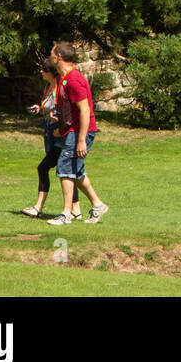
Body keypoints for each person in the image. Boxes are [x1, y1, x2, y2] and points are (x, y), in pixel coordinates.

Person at [47, 42, 110, 225]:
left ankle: (66, 214)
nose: (50, 56)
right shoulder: (63, 78)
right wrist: (60, 125)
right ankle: (98, 205)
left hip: (81, 132)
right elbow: (69, 109)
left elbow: (85, 110)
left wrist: (81, 140)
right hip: (72, 131)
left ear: (58, 56)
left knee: (65, 167)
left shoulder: (74, 79)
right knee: (77, 170)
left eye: (52, 53)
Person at [22, 60, 82, 220]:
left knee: (54, 169)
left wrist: (57, 119)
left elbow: (65, 109)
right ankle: (76, 209)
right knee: (67, 171)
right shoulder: (49, 87)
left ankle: (40, 208)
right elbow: (49, 105)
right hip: (51, 131)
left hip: (60, 133)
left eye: (44, 69)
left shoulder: (60, 86)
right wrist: (40, 108)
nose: (41, 72)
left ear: (52, 72)